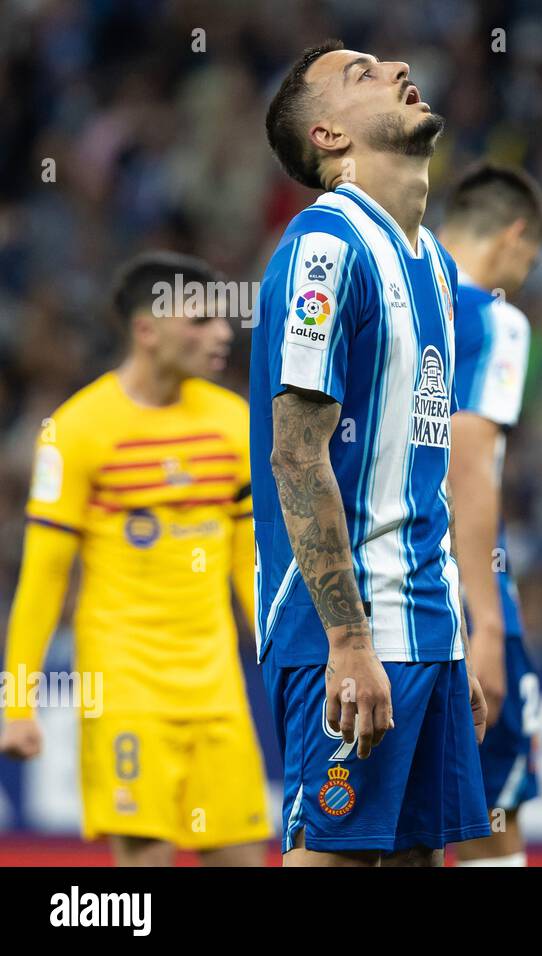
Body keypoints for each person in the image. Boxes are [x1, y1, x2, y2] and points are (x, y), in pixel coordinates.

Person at [255, 40, 489, 867]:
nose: (394, 68)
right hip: (347, 636)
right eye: (361, 73)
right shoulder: (326, 248)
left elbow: (420, 470)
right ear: (327, 136)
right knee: (336, 858)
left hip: (426, 630)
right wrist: (351, 642)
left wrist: (453, 634)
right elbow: (296, 457)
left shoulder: (437, 267)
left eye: (386, 62)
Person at [0, 251, 268, 866]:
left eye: (223, 320)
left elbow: (248, 567)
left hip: (217, 686)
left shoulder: (234, 425)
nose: (223, 332)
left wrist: (294, 671)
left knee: (243, 860)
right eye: (201, 321)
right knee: (144, 869)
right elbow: (42, 579)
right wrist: (19, 705)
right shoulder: (75, 430)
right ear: (147, 330)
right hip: (125, 684)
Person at [439, 162, 542, 866]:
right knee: (492, 809)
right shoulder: (494, 319)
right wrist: (485, 620)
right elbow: (469, 460)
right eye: (532, 258)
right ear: (513, 236)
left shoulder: (388, 301)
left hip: (362, 596)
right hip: (452, 590)